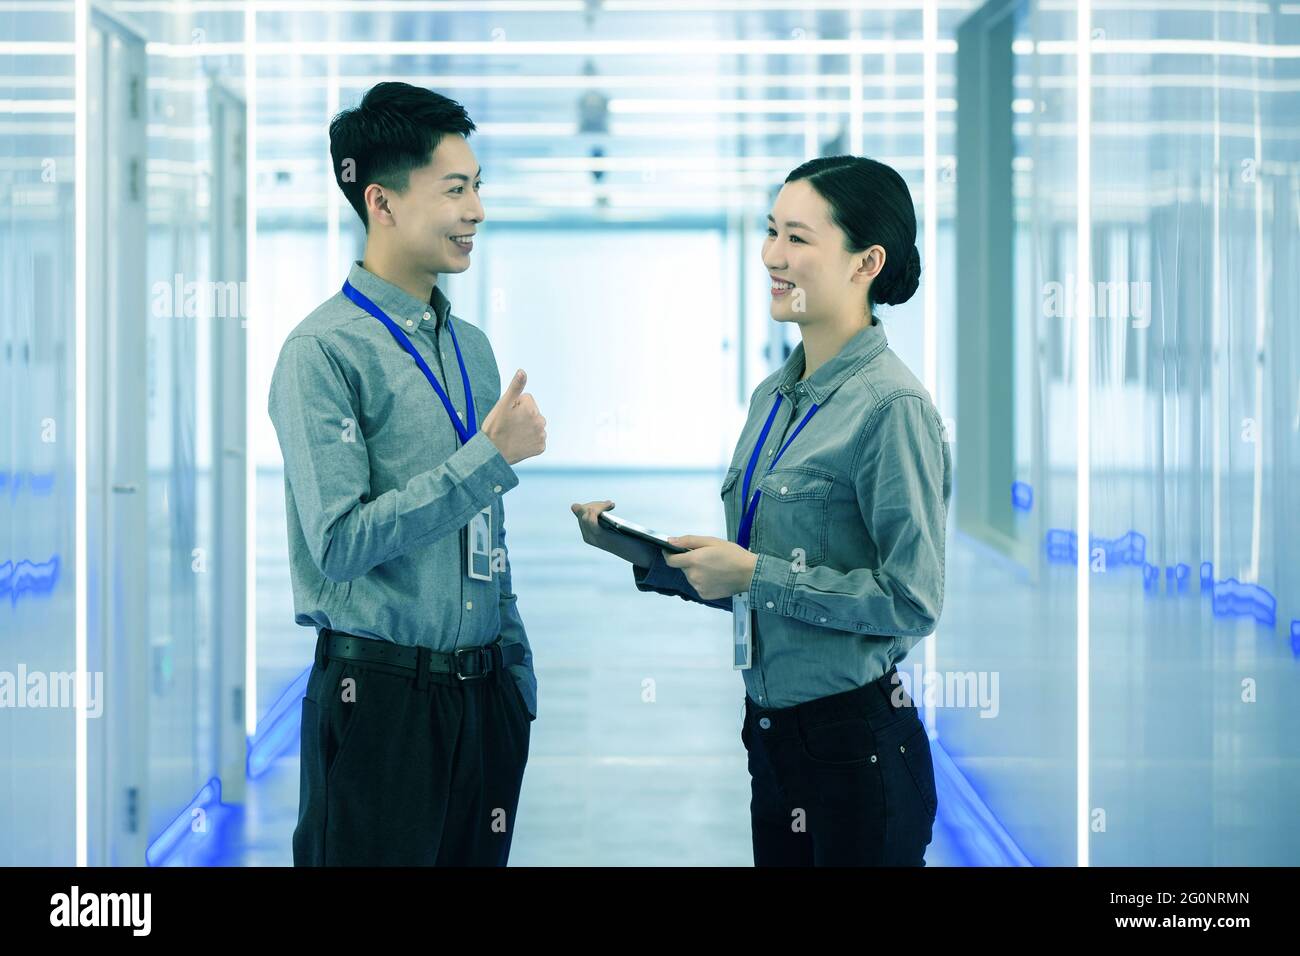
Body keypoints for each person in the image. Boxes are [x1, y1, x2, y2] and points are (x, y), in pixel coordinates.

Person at [572, 155, 951, 866]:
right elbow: (764, 575)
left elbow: (912, 600)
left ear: (866, 262)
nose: (772, 256)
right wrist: (661, 562)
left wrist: (755, 577)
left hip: (857, 746)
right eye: (772, 231)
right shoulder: (774, 401)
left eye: (799, 239)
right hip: (774, 738)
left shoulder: (891, 410)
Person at [269, 82, 546, 866]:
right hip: (379, 705)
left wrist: (514, 677)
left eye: (478, 188)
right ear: (382, 204)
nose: (477, 211)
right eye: (454, 190)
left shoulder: (474, 350)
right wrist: (489, 459)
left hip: (483, 698)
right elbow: (343, 543)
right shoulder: (322, 353)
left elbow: (486, 532)